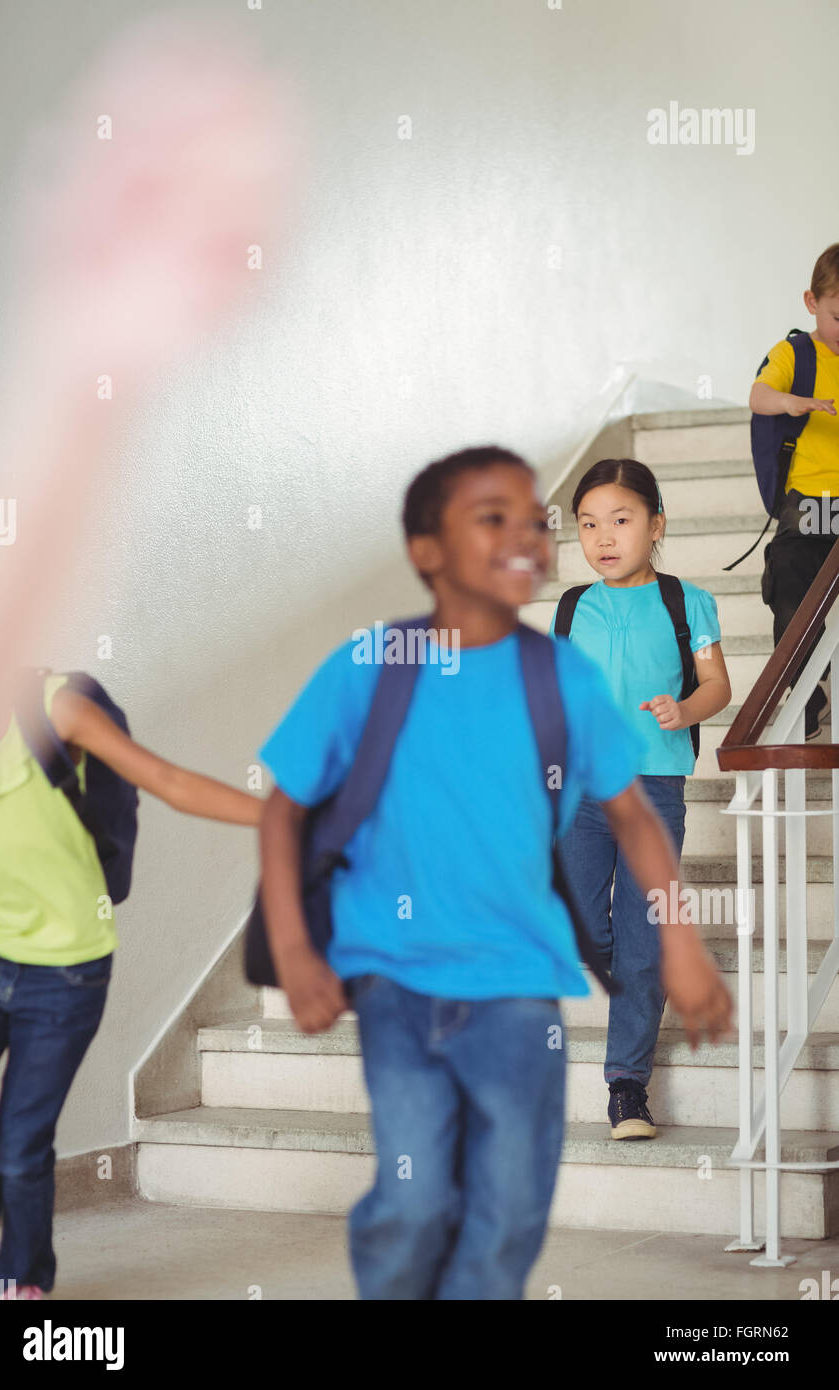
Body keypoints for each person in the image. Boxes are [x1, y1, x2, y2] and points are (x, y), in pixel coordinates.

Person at [258, 444, 732, 1301]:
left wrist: (685, 946)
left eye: (532, 520)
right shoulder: (383, 662)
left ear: (656, 528)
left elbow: (643, 792)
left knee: (512, 1207)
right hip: (400, 977)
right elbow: (286, 802)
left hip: (522, 978)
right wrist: (293, 944)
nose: (555, 538)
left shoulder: (604, 643)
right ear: (427, 552)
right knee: (411, 1200)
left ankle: (627, 1081)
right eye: (574, 523)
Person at [0, 674, 262, 1299]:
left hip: (65, 971)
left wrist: (293, 821)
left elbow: (172, 784)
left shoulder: (55, 713)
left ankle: (20, 1284)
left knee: (20, 1145)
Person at [553, 458, 732, 1140]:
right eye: (589, 525)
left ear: (655, 525)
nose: (604, 536)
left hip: (655, 790)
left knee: (643, 941)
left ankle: (627, 1088)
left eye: (621, 520)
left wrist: (686, 710)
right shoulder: (573, 607)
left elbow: (717, 685)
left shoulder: (689, 603)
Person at [752, 243, 839, 738]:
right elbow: (757, 396)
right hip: (810, 506)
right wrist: (792, 402)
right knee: (787, 577)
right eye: (837, 316)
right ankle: (804, 687)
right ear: (811, 301)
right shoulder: (794, 353)